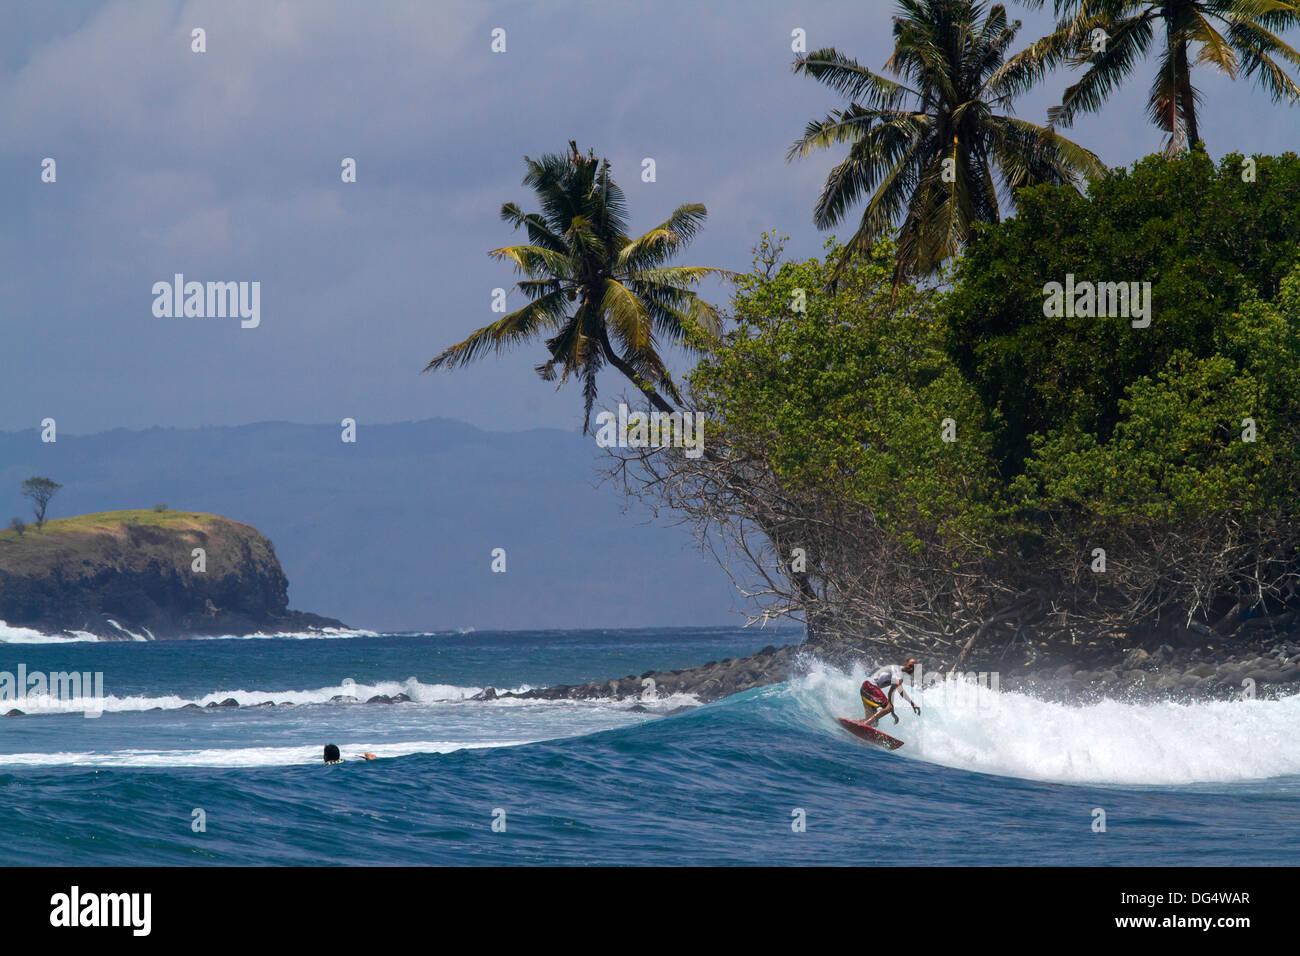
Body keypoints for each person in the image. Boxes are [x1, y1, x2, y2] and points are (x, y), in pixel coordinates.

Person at [860, 658, 920, 727]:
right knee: (871, 721)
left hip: (866, 688)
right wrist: (912, 704)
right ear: (905, 664)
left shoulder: (899, 677)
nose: (911, 669)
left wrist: (892, 713)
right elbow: (900, 689)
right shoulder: (898, 671)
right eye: (910, 666)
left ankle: (856, 723)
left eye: (913, 668)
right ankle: (864, 725)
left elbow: (890, 693)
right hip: (870, 687)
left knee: (874, 723)